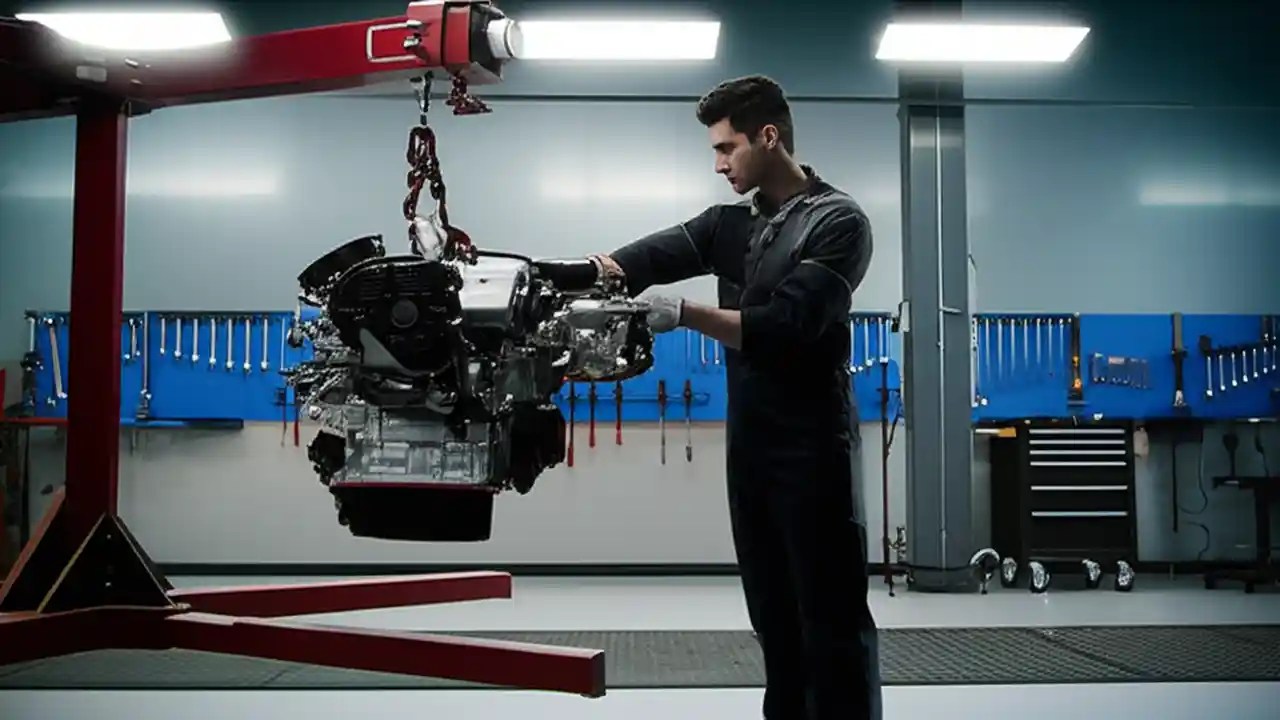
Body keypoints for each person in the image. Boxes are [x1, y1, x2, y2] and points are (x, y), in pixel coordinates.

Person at [588, 75, 882, 719]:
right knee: (773, 616)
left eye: (727, 149)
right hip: (750, 441)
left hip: (813, 445)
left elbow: (785, 325)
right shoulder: (730, 225)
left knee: (828, 618)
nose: (719, 164)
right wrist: (580, 274)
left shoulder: (838, 222)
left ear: (768, 136)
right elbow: (648, 256)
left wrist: (685, 313)